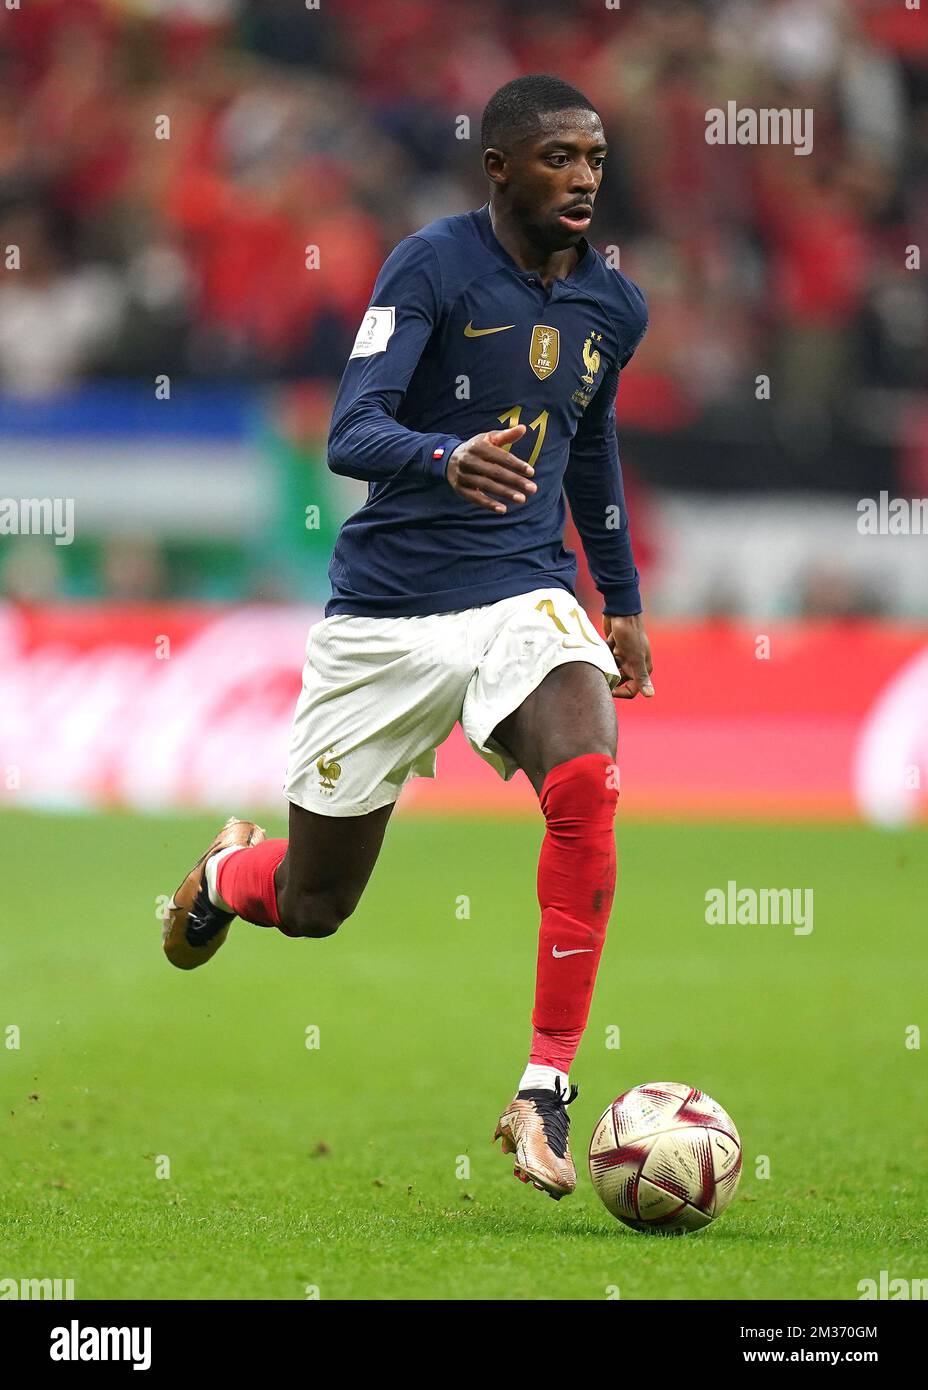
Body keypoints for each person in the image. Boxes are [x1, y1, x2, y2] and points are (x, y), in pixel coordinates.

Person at [163, 74, 653, 1201]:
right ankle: (230, 872)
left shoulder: (612, 307)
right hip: (384, 617)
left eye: (594, 157)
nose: (582, 177)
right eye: (557, 158)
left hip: (520, 596)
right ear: (498, 168)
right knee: (316, 906)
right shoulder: (429, 264)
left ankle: (544, 1087)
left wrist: (617, 596)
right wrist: (443, 454)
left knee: (588, 774)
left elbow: (588, 446)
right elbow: (351, 427)